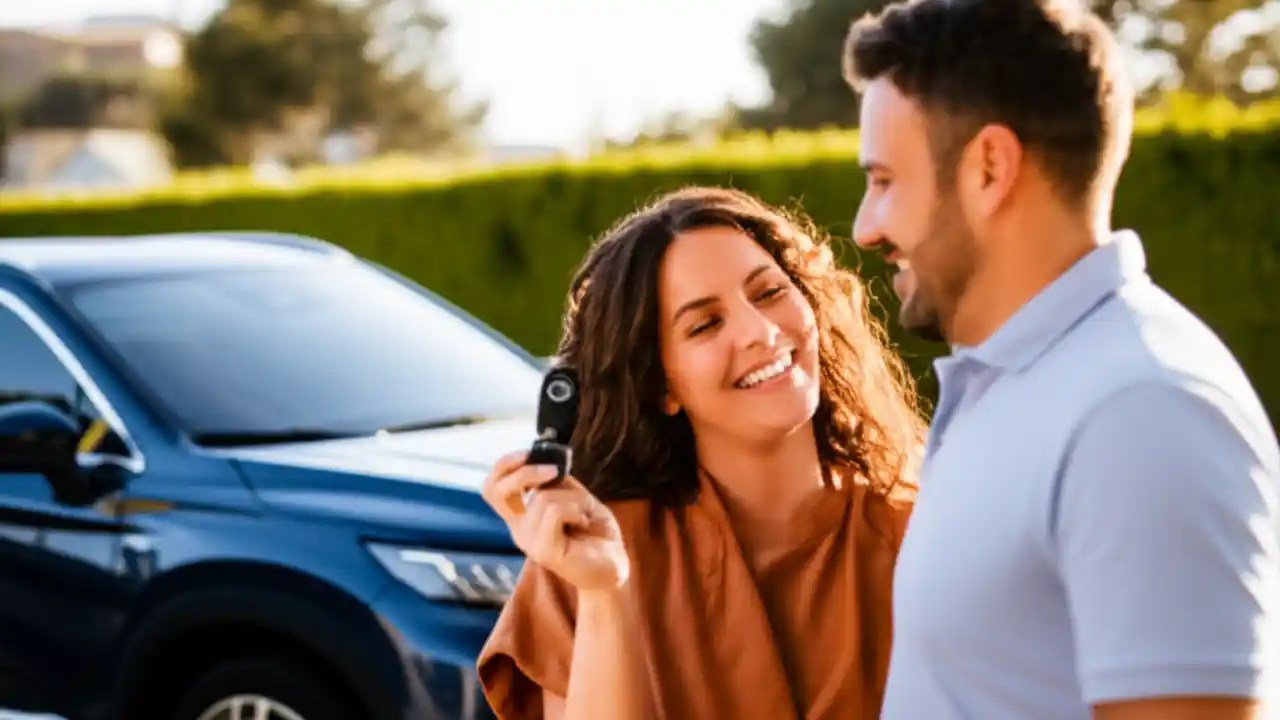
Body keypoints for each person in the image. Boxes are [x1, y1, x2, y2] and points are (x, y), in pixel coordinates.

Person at [842, 0, 1280, 718]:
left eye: (884, 181)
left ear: (989, 168)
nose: (865, 227)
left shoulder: (1142, 414)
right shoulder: (1018, 383)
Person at [475, 186, 927, 719]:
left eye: (769, 293)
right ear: (661, 387)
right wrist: (604, 598)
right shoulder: (589, 556)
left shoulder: (918, 532)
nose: (761, 332)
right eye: (705, 324)